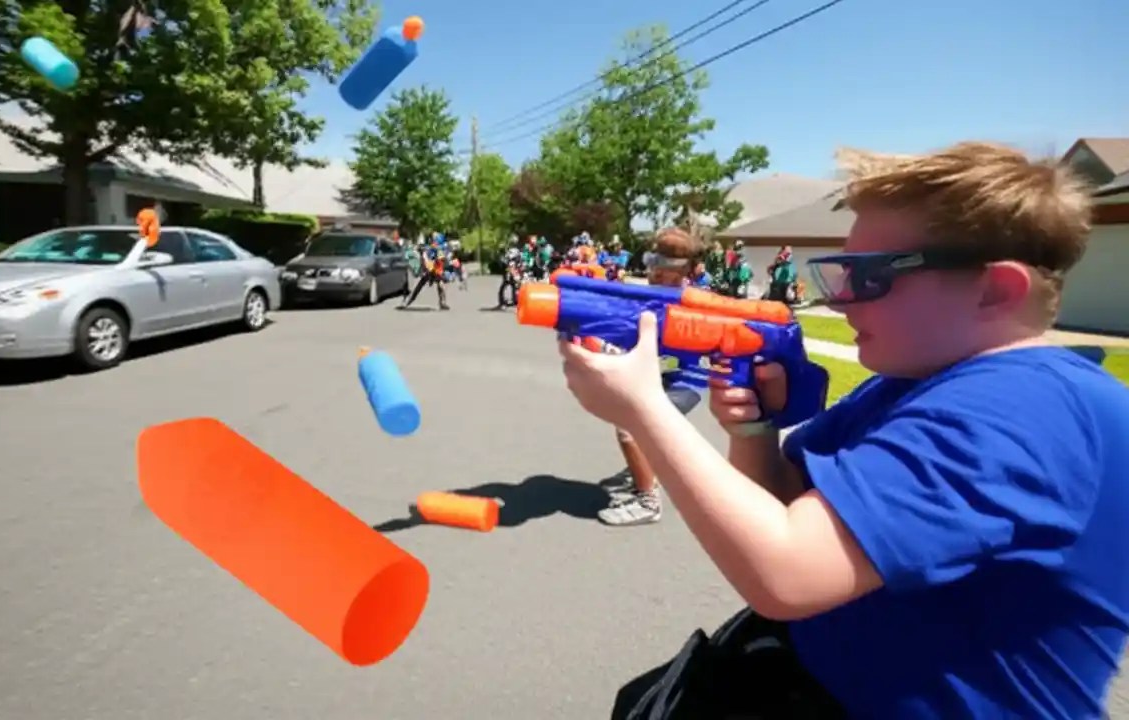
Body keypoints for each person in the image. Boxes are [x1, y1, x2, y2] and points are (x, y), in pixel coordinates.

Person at [560, 142, 1129, 717]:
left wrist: (642, 409)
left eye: (870, 277)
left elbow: (785, 574)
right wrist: (755, 432)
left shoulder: (1021, 408)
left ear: (995, 290)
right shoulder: (922, 379)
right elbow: (792, 508)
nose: (840, 302)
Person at [596, 227, 706, 527]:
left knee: (631, 425)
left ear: (683, 272)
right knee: (634, 421)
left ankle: (647, 501)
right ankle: (639, 475)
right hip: (662, 377)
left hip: (684, 382)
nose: (655, 272)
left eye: (666, 267)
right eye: (653, 263)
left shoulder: (689, 303)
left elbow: (669, 349)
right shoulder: (655, 296)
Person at [401, 237, 449, 310]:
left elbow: (443, 261)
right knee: (419, 286)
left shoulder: (439, 250)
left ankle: (442, 303)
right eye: (433, 243)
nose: (434, 245)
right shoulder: (426, 251)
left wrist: (441, 264)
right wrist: (425, 271)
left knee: (441, 285)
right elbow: (424, 262)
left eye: (435, 243)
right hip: (428, 270)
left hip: (435, 270)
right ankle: (407, 302)